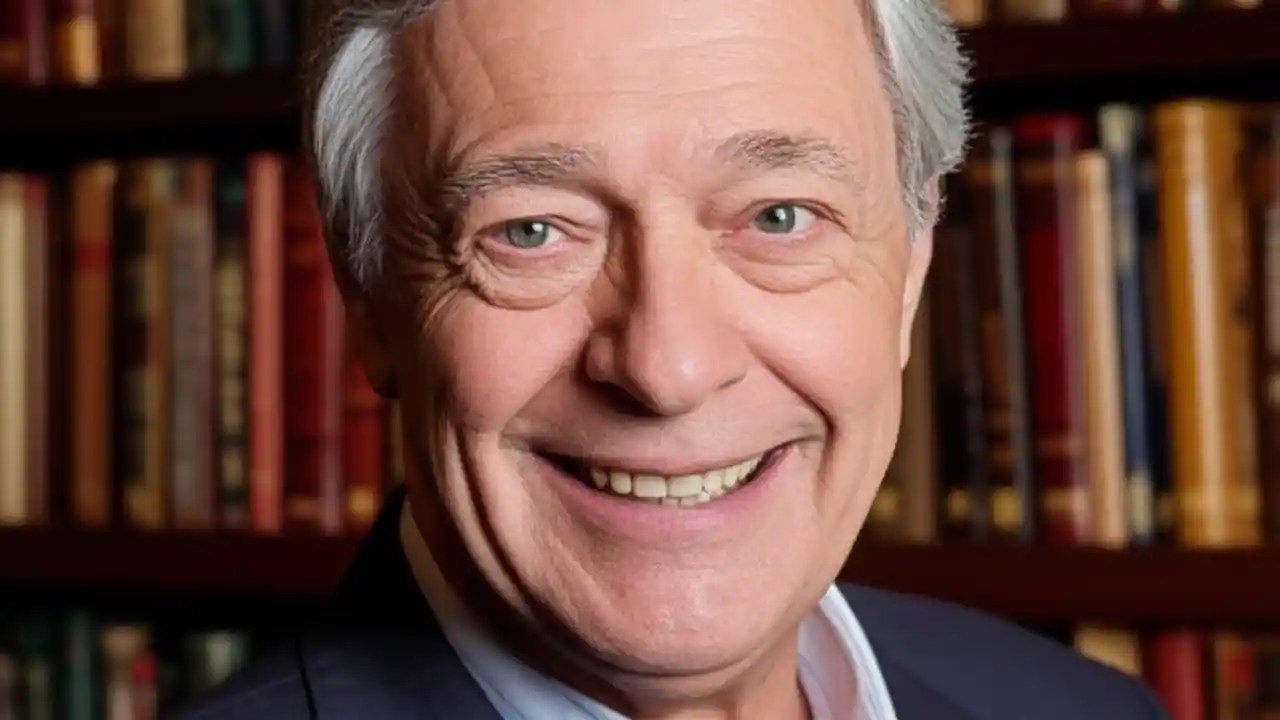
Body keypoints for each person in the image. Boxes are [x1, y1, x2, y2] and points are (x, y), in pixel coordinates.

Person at [180, 0, 1170, 717]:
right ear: (371, 303)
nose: (667, 367)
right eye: (530, 232)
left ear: (906, 270)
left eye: (779, 217)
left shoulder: (1080, 707)